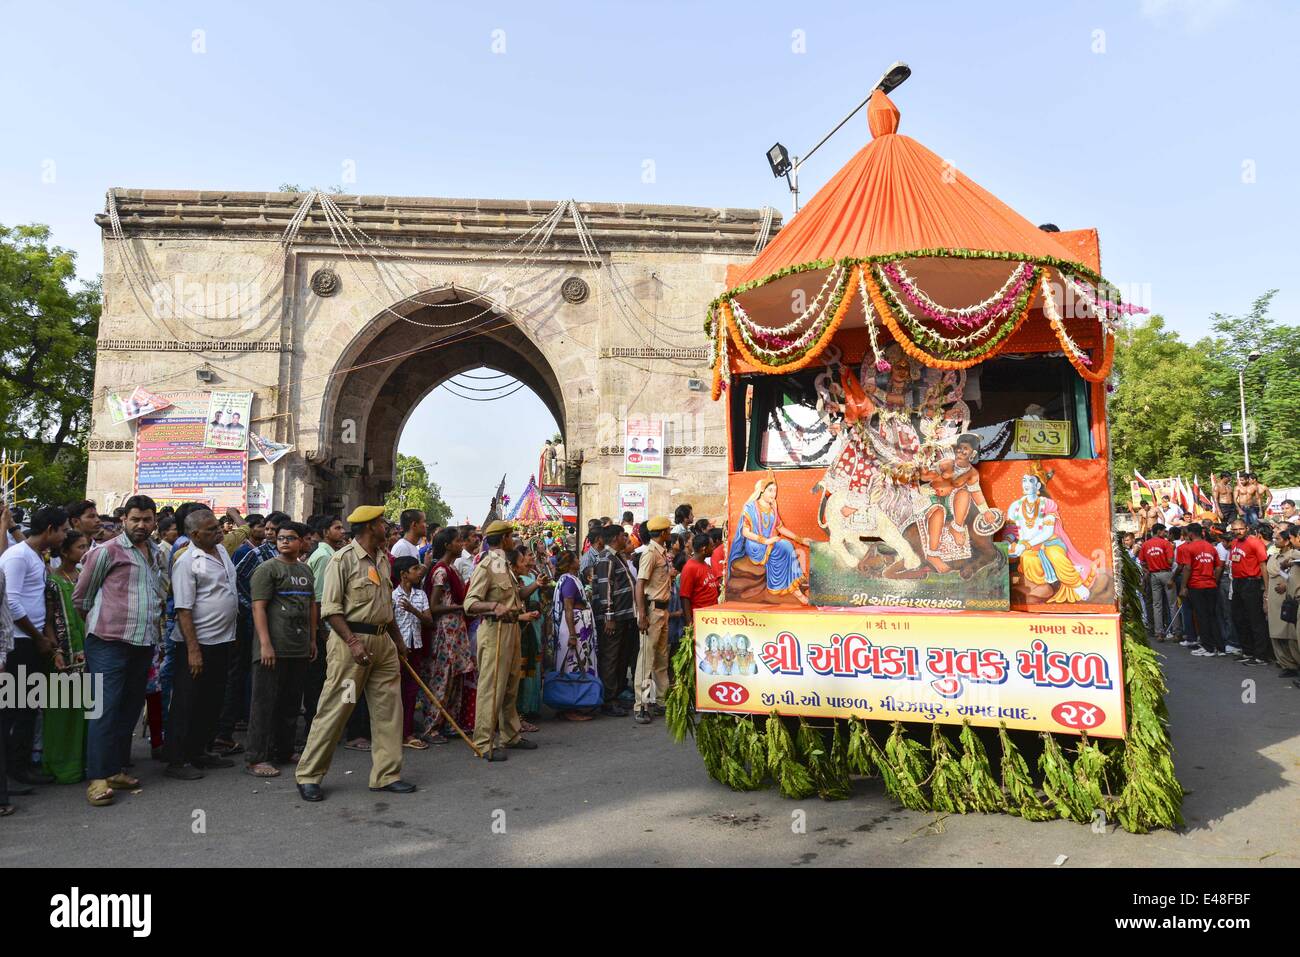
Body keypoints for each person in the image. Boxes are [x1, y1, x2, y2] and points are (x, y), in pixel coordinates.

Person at [296, 505, 414, 801]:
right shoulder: (342, 560)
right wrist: (352, 643)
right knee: (336, 708)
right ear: (370, 527)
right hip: (352, 643)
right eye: (383, 522)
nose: (387, 526)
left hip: (382, 642)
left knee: (389, 711)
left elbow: (386, 606)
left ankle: (386, 775)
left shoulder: (384, 560)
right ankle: (309, 775)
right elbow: (330, 609)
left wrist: (397, 641)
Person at [74, 495, 169, 807]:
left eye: (147, 519)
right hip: (108, 642)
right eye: (135, 520)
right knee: (104, 708)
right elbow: (82, 598)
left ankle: (115, 769)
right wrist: (99, 625)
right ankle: (97, 777)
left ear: (154, 521)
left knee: (129, 708)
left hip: (143, 642)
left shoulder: (157, 554)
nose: (141, 525)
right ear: (124, 520)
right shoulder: (107, 551)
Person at [165, 507, 238, 781]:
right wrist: (193, 651)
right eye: (211, 529)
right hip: (197, 644)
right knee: (187, 702)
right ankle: (177, 759)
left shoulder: (221, 552)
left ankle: (200, 751)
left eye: (218, 526)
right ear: (194, 534)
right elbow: (183, 609)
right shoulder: (187, 561)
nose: (218, 530)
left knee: (211, 700)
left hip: (222, 640)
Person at [2, 504, 68, 789]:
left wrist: (46, 632)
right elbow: (11, 602)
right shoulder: (18, 557)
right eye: (64, 530)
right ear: (50, 530)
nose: (66, 535)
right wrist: (38, 636)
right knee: (17, 709)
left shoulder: (32, 555)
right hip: (19, 642)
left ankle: (22, 764)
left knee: (28, 707)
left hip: (33, 640)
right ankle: (14, 770)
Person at [246, 521, 317, 778]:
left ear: (302, 542)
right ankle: (257, 758)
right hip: (272, 648)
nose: (285, 541)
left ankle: (285, 750)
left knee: (290, 704)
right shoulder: (267, 569)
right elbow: (258, 607)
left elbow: (311, 606)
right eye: (281, 537)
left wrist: (312, 640)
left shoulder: (305, 571)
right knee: (264, 704)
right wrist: (265, 644)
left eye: (291, 538)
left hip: (298, 648)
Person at [464, 521, 537, 759]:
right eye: (511, 536)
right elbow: (470, 603)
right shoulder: (487, 564)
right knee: (491, 689)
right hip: (494, 631)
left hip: (512, 628)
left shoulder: (504, 564)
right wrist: (493, 606)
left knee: (509, 686)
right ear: (504, 538)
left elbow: (514, 599)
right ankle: (483, 744)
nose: (513, 540)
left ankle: (511, 735)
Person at [42, 530, 90, 783]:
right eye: (80, 547)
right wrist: (55, 649)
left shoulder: (82, 576)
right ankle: (60, 765)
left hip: (85, 651)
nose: (84, 551)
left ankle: (81, 762)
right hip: (63, 653)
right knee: (62, 710)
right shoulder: (53, 580)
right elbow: (48, 619)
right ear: (65, 551)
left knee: (83, 710)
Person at [423, 526, 475, 741]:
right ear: (447, 545)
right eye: (456, 541)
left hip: (456, 628)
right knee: (442, 678)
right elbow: (434, 606)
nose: (460, 544)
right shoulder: (442, 571)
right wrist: (459, 607)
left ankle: (450, 723)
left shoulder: (452, 569)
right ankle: (432, 726)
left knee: (455, 677)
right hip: (445, 629)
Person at [590, 524, 635, 717]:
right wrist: (609, 616)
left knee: (619, 656)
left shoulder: (617, 557)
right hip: (613, 618)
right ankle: (609, 699)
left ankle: (615, 694)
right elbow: (604, 587)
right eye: (624, 536)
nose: (626, 539)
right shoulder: (606, 558)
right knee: (610, 656)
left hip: (624, 616)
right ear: (616, 537)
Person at [549, 549, 598, 723]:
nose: (579, 560)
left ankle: (576, 704)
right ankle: (570, 707)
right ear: (570, 563)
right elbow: (568, 609)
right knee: (573, 666)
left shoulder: (571, 579)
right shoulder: (569, 582)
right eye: (576, 558)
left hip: (578, 629)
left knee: (578, 664)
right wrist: (572, 634)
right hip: (574, 629)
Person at [633, 516, 674, 724]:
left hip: (662, 610)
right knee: (647, 659)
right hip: (652, 610)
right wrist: (642, 615)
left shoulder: (660, 552)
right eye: (668, 530)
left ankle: (661, 700)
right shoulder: (650, 553)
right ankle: (641, 705)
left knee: (660, 659)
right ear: (663, 533)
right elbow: (640, 584)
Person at [391, 555, 432, 751]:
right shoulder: (392, 596)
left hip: (415, 648)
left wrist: (413, 610)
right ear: (403, 574)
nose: (419, 572)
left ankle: (407, 733)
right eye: (415, 569)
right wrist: (398, 644)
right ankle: (394, 733)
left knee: (410, 692)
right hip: (398, 650)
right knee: (394, 692)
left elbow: (428, 621)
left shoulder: (420, 595)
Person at [1175, 523, 1224, 657]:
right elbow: (1219, 567)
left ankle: (1208, 647)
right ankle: (1219, 647)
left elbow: (1187, 568)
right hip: (1211, 585)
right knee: (1213, 616)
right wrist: (1214, 579)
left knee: (1202, 617)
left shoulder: (1188, 548)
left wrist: (1183, 586)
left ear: (1190, 534)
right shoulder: (1211, 547)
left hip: (1197, 586)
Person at [1228, 518, 1271, 665]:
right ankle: (1247, 651)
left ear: (1246, 528)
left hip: (1251, 582)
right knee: (1239, 618)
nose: (1238, 532)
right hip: (1238, 583)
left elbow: (1263, 566)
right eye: (1235, 530)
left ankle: (1261, 656)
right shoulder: (1234, 543)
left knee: (1255, 619)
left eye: (1240, 529)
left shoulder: (1255, 542)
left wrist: (1266, 589)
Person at [512, 547, 545, 726]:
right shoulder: (514, 580)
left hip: (532, 626)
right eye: (526, 557)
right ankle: (519, 713)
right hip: (520, 627)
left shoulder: (531, 575)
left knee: (532, 664)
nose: (528, 561)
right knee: (520, 671)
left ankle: (529, 708)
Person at [1265, 525, 1300, 678]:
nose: (1275, 541)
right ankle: (1286, 664)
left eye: (1278, 539)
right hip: (1274, 600)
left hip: (1289, 599)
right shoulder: (1273, 557)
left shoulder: (1296, 555)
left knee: (1291, 635)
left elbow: (1293, 576)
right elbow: (1272, 572)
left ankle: (1295, 663)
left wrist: (1286, 584)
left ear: (1288, 541)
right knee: (1276, 633)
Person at [1138, 525, 1175, 641]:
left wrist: (1149, 567)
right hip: (1166, 574)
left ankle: (1158, 632)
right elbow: (1170, 560)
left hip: (1153, 575)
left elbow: (1142, 562)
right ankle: (1177, 632)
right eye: (1164, 531)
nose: (1165, 533)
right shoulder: (1166, 543)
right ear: (1159, 531)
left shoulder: (1145, 545)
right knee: (1172, 604)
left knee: (1156, 604)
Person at [679, 532, 720, 625]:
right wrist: (689, 623)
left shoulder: (706, 565)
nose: (713, 549)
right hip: (700, 619)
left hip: (711, 618)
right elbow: (685, 597)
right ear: (704, 549)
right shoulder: (690, 568)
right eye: (712, 546)